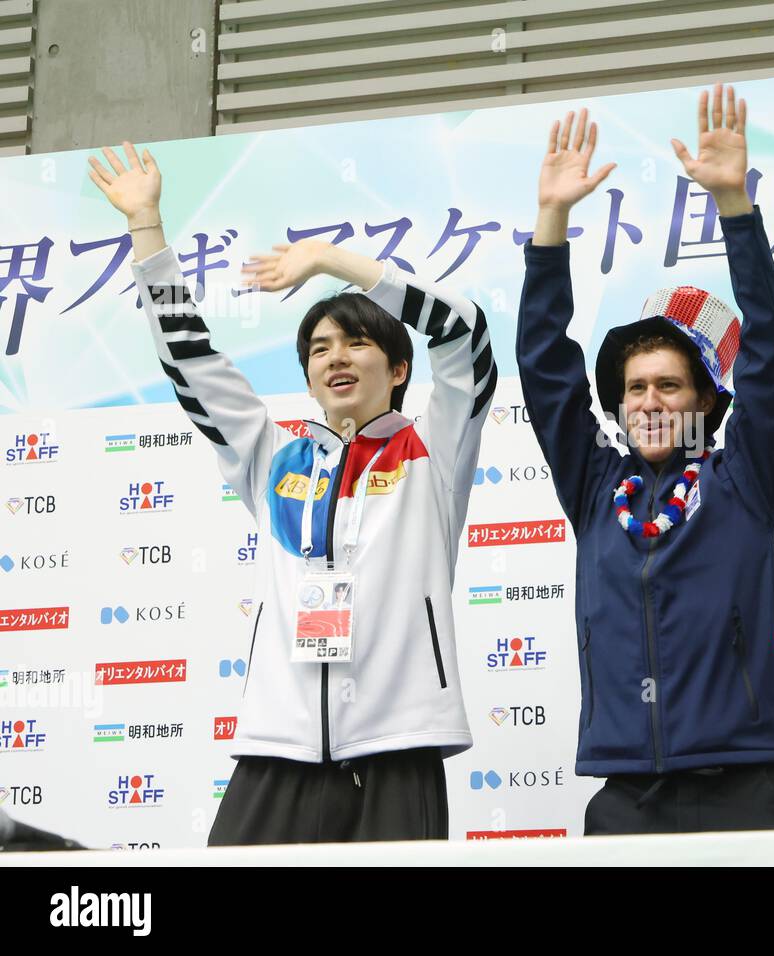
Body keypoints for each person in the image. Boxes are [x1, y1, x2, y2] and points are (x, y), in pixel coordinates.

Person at [88, 142, 497, 844]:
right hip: (279, 747)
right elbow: (190, 360)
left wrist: (331, 260)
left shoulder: (435, 449)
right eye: (318, 349)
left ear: (399, 368)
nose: (335, 356)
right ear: (307, 376)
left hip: (398, 746)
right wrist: (146, 228)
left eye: (357, 343)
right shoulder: (273, 456)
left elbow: (463, 328)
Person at [516, 86, 774, 834]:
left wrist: (734, 207)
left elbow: (773, 358)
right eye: (634, 387)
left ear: (708, 400)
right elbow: (547, 372)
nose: (647, 399)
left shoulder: (743, 476)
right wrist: (551, 225)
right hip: (622, 797)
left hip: (740, 788)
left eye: (669, 385)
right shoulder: (596, 486)